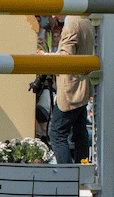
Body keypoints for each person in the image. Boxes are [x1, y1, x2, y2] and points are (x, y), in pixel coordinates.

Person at [38, 14, 95, 164]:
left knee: (56, 134)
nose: (53, 16)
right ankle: (82, 170)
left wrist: (44, 56)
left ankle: (68, 173)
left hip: (71, 88)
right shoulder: (84, 21)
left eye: (55, 11)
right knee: (80, 132)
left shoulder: (72, 24)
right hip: (82, 86)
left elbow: (65, 57)